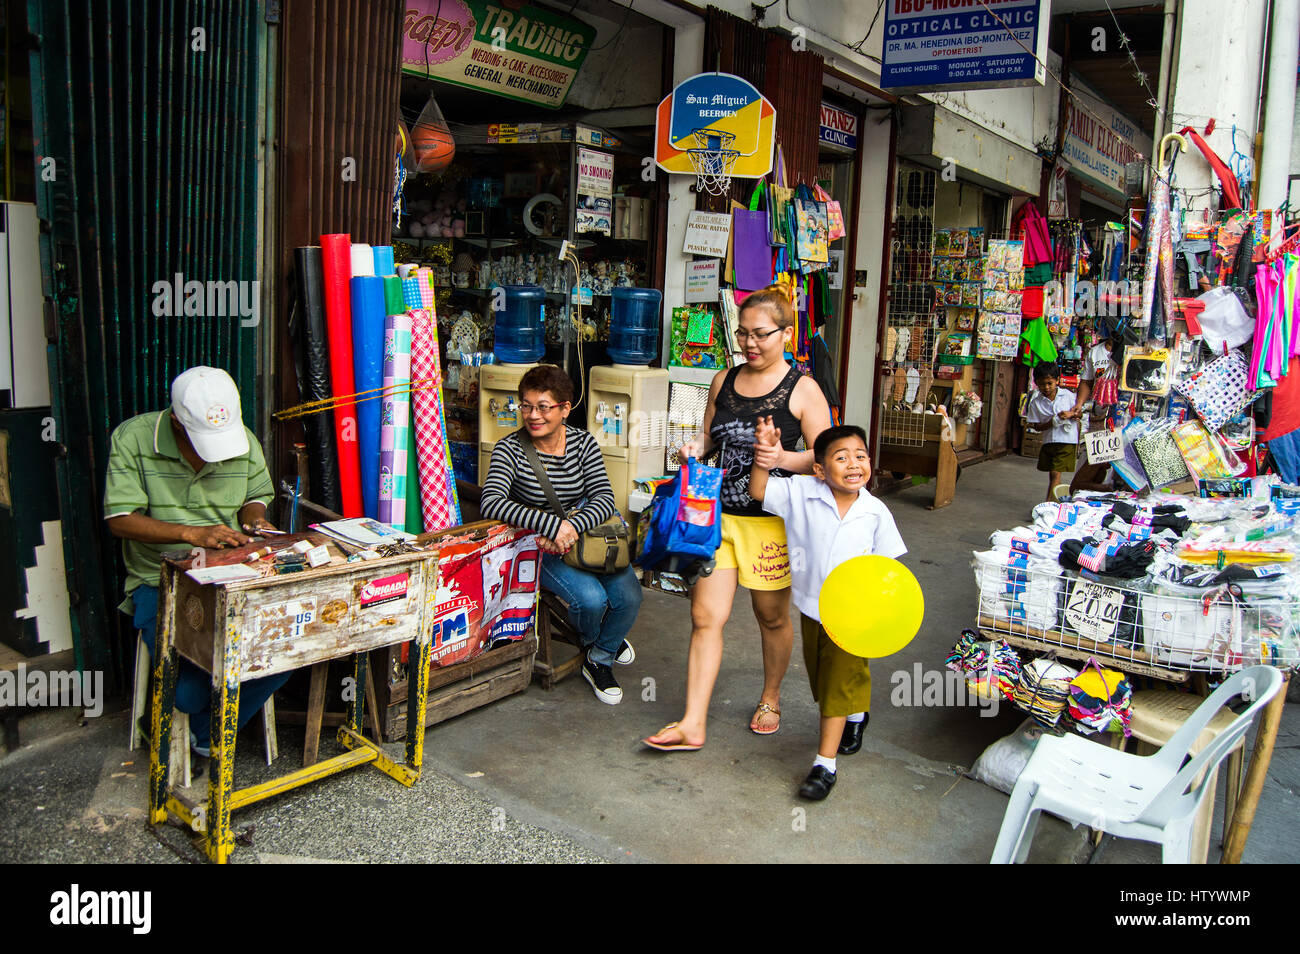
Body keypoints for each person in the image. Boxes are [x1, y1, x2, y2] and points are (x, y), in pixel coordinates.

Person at [643, 285, 832, 750]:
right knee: (705, 616)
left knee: (770, 617)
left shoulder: (803, 389)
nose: (750, 343)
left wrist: (780, 457)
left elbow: (830, 458)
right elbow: (710, 436)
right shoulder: (723, 380)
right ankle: (692, 722)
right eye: (742, 333)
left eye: (761, 334)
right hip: (719, 519)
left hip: (772, 523)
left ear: (787, 334)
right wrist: (695, 448)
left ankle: (770, 697)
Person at [104, 366, 290, 756]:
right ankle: (200, 725)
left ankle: (205, 732)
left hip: (231, 574)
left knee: (285, 651)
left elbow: (255, 494)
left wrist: (253, 519)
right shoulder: (134, 438)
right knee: (189, 689)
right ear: (176, 422)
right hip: (159, 580)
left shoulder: (242, 439)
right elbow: (120, 520)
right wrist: (191, 534)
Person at [749, 420, 906, 800]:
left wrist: (881, 611)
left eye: (861, 456)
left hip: (854, 613)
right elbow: (758, 489)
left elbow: (890, 570)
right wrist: (764, 456)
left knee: (837, 682)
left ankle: (824, 765)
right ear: (819, 469)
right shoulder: (802, 491)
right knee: (823, 677)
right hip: (810, 606)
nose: (854, 464)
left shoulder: (875, 512)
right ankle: (856, 714)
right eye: (842, 457)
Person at [480, 364, 641, 705]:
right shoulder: (509, 449)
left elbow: (604, 499)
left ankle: (602, 646)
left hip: (588, 540)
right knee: (591, 600)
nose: (532, 415)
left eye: (543, 407)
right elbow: (491, 503)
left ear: (565, 408)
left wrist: (570, 528)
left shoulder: (584, 444)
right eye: (525, 405)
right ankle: (600, 653)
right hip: (538, 546)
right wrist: (552, 527)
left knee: (629, 596)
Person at [1025, 361, 1079, 502]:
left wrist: (1071, 414)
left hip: (1066, 439)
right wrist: (1052, 422)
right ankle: (1056, 501)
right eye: (1042, 384)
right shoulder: (1036, 403)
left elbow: (1080, 414)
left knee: (1055, 473)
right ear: (1036, 383)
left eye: (1050, 383)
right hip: (1049, 440)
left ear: (1057, 380)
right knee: (1053, 473)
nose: (1046, 387)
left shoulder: (1068, 396)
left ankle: (1049, 503)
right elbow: (1036, 426)